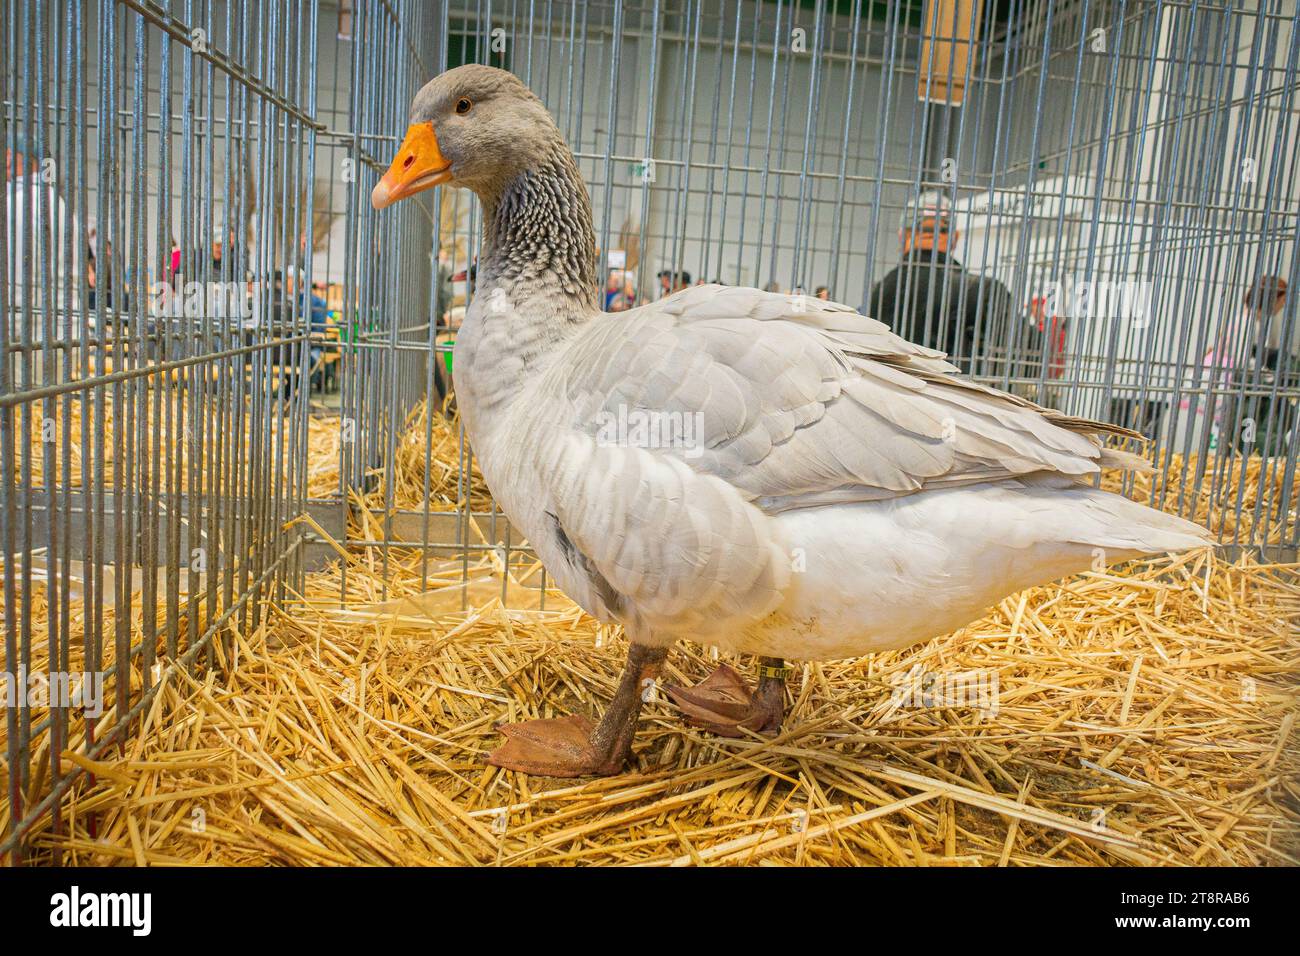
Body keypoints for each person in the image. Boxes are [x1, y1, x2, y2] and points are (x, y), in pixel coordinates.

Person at [868, 191, 1023, 376]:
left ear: (902, 236)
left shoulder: (880, 290)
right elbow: (1025, 351)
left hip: (888, 398)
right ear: (954, 238)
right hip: (955, 399)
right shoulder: (981, 290)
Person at [4, 131, 83, 351]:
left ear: (10, 158)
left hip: (21, 339)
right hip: (65, 335)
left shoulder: (13, 205)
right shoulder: (61, 206)